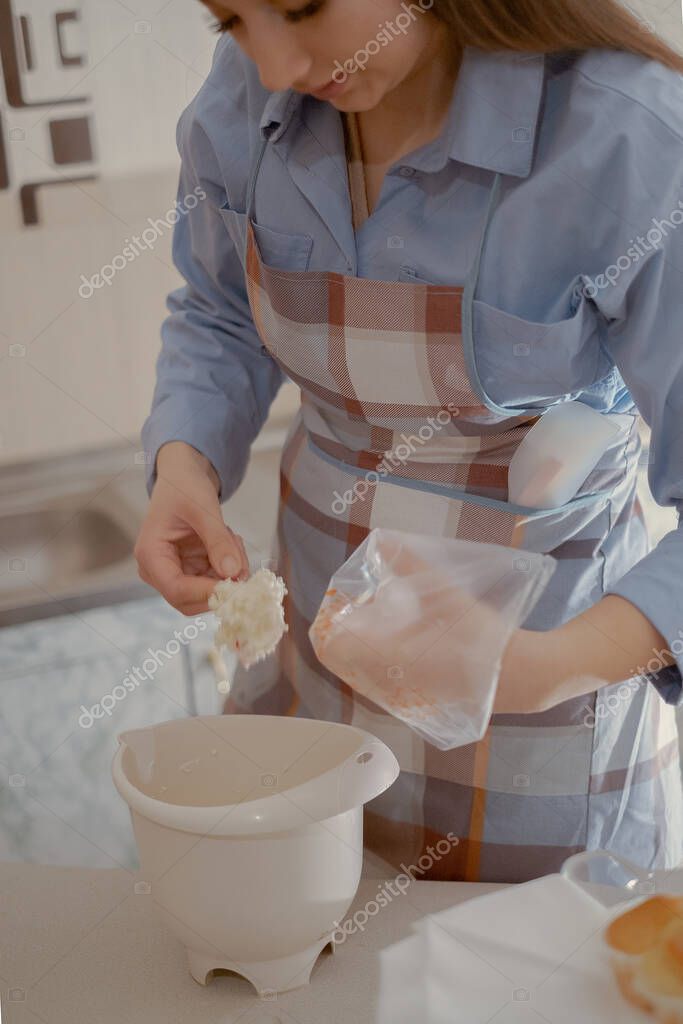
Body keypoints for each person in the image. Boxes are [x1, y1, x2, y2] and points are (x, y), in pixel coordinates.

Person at [135, 0, 683, 882]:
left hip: (537, 703)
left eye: (302, 8)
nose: (274, 68)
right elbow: (219, 313)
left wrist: (544, 669)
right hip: (314, 671)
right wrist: (184, 460)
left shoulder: (631, 141)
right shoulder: (248, 105)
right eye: (231, 21)